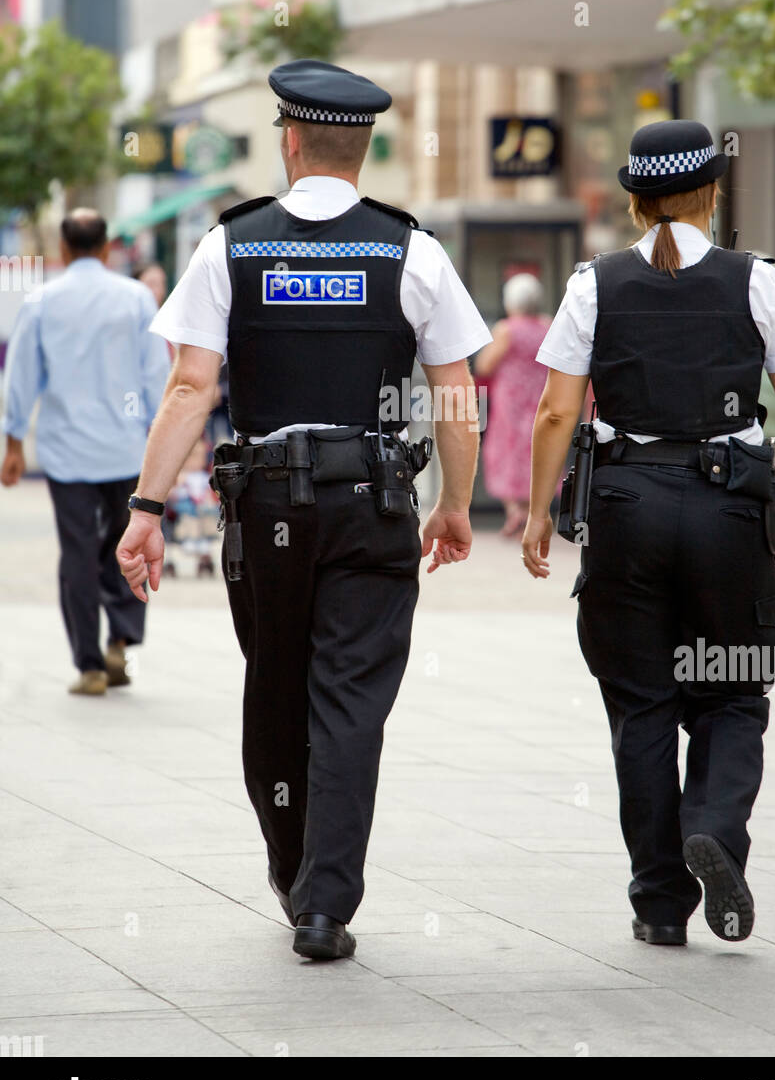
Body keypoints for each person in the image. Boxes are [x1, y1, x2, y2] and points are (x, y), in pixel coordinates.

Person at [115, 59, 491, 962]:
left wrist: (147, 508)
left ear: (289, 141)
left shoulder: (229, 244)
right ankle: (326, 904)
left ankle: (294, 869)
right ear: (364, 151)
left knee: (276, 689)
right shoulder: (413, 250)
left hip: (268, 509)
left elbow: (188, 388)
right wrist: (455, 504)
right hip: (373, 505)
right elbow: (454, 395)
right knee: (351, 702)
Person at [522, 120, 775, 947]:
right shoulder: (754, 279)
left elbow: (557, 408)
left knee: (643, 707)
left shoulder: (596, 283)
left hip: (626, 507)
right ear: (712, 193)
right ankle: (716, 830)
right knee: (732, 691)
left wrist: (537, 512)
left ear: (634, 200)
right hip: (730, 514)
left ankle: (660, 904)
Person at [1, 210, 171, 694]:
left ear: (63, 245)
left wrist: (13, 443)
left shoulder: (41, 301)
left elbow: (21, 377)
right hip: (127, 449)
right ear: (104, 249)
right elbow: (156, 377)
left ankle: (90, 665)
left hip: (66, 452)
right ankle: (121, 638)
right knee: (129, 543)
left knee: (77, 552)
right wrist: (164, 450)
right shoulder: (136, 299)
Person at [475, 272, 551, 535]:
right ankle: (531, 513)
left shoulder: (507, 329)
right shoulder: (548, 326)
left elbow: (485, 365)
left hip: (510, 402)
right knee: (536, 451)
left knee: (506, 451)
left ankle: (514, 511)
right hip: (541, 397)